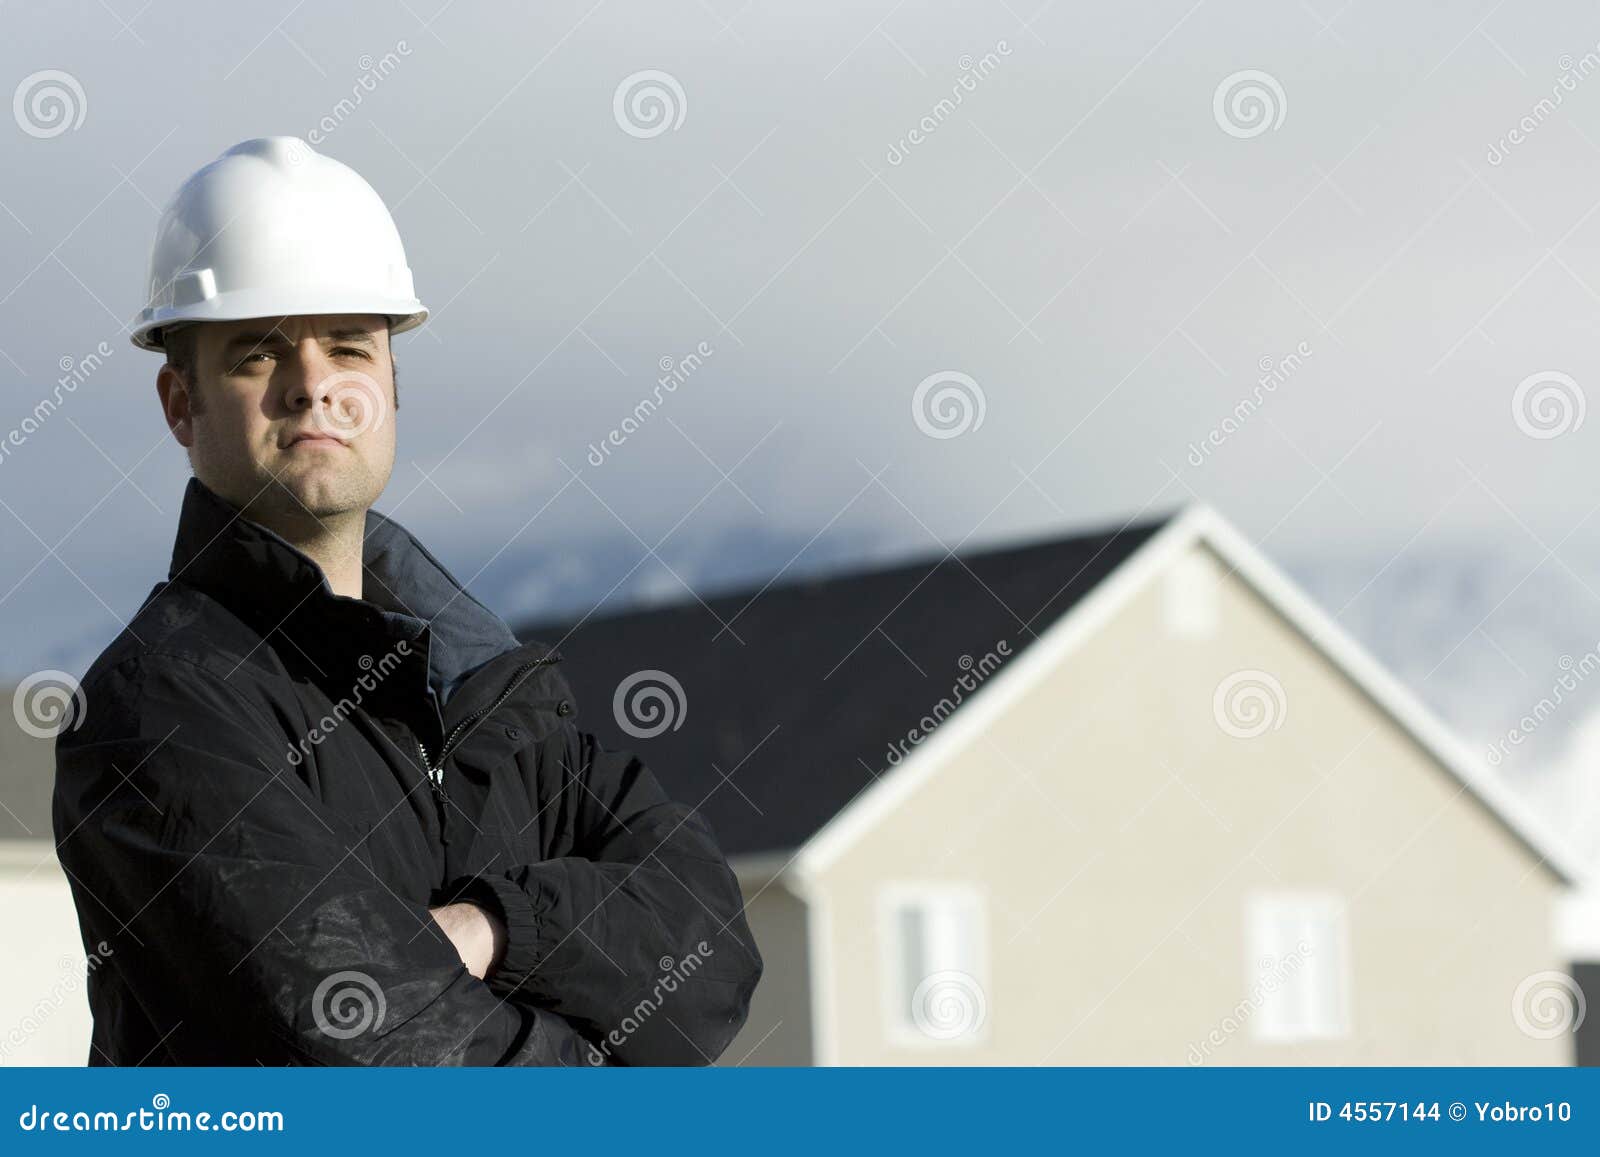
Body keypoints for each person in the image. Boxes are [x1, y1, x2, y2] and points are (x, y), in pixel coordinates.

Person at [52, 137, 762, 1066]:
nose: (314, 385)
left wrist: (497, 927)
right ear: (179, 404)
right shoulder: (161, 710)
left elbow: (712, 960)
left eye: (349, 347)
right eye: (259, 353)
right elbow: (384, 1061)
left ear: (392, 385)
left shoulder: (498, 704)